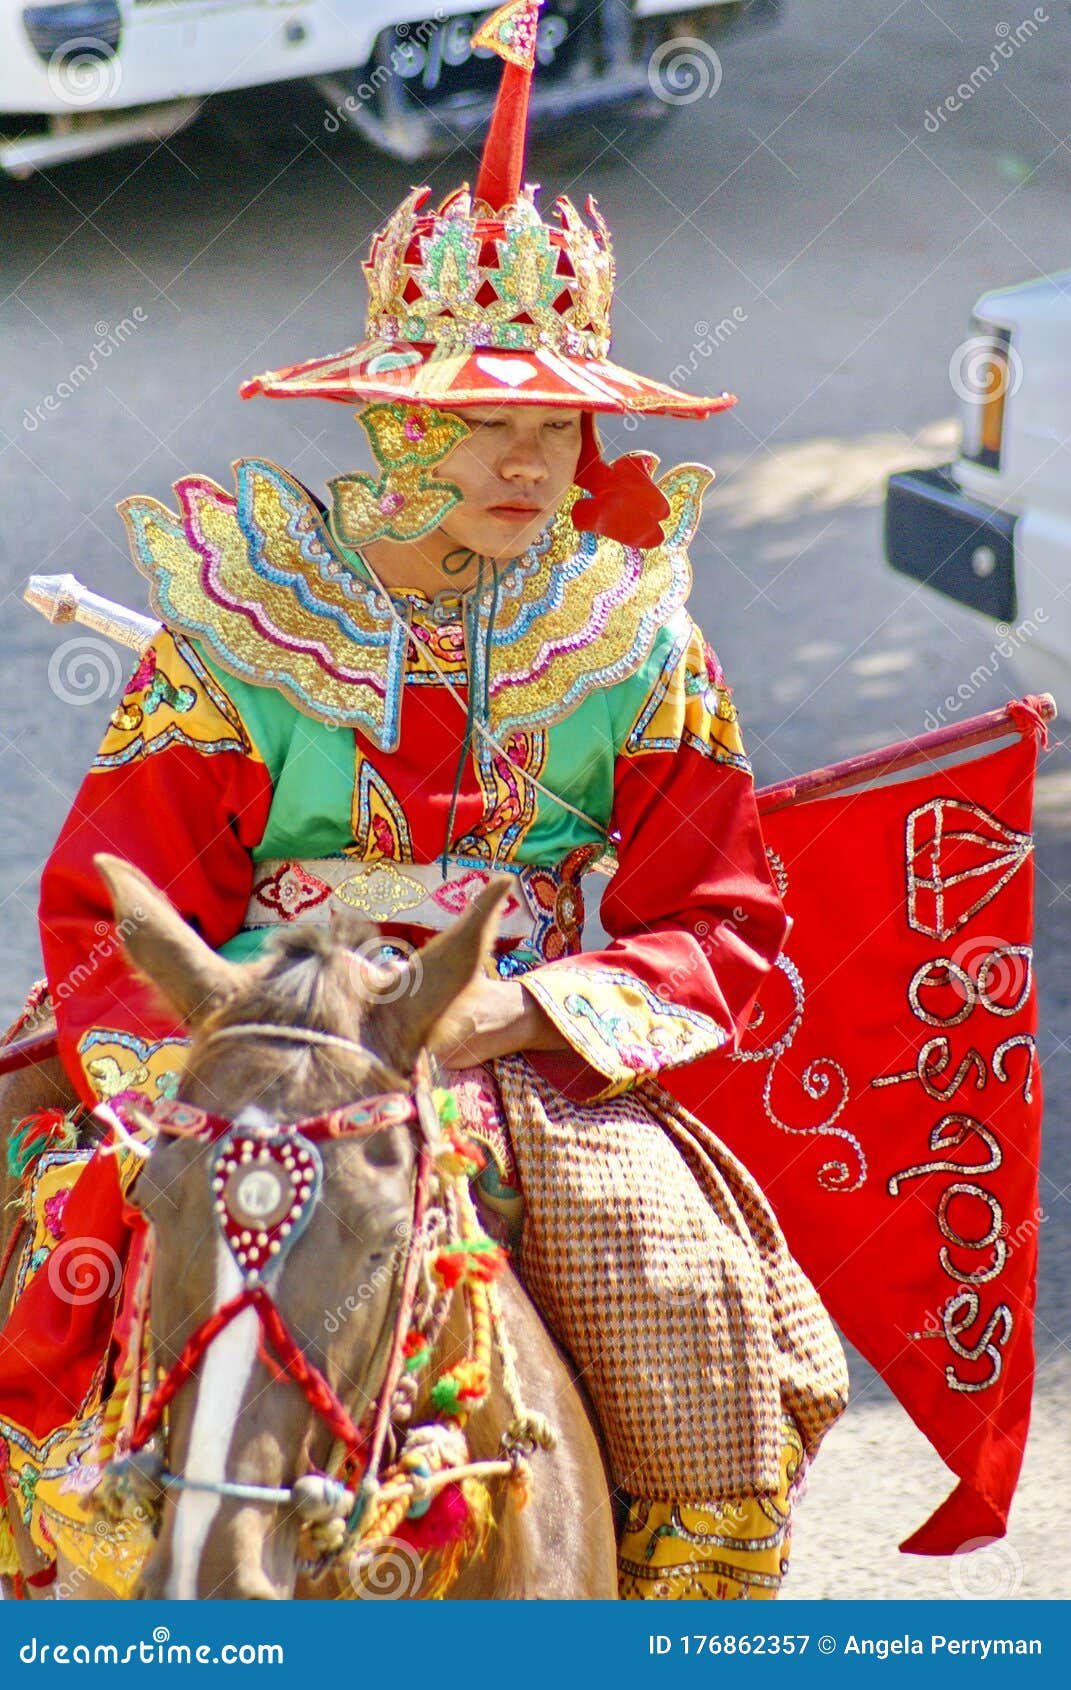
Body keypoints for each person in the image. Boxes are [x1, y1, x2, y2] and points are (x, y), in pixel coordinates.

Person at [22, 0, 848, 1599]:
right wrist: (182, 1071)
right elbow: (113, 894)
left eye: (555, 424)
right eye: (485, 425)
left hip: (519, 1063)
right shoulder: (247, 624)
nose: (530, 462)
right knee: (48, 1242)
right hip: (249, 1050)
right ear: (399, 416)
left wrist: (515, 1013)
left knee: (684, 1293)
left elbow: (722, 930)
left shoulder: (637, 642)